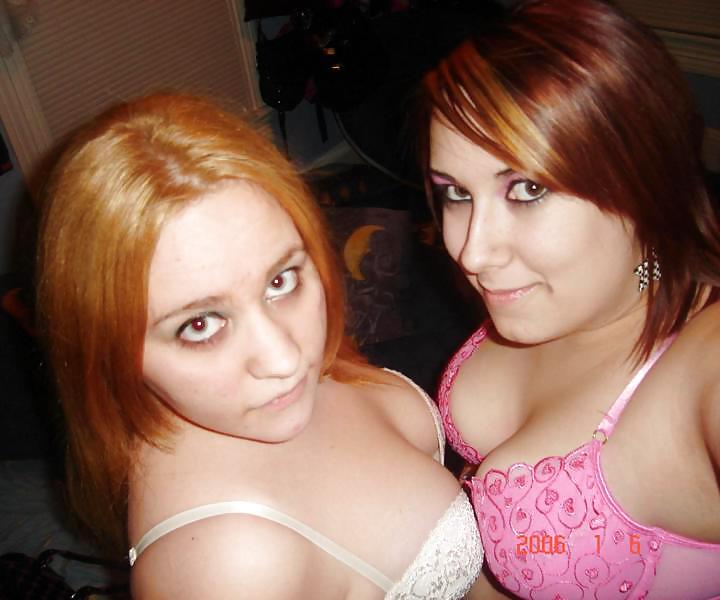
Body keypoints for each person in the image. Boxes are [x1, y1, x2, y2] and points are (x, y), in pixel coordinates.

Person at [36, 93, 483, 599]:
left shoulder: (264, 385)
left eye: (280, 280)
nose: (286, 359)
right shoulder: (230, 568)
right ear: (111, 352)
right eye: (200, 325)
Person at [417, 0, 720, 598]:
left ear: (646, 181)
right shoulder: (557, 293)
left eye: (527, 189)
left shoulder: (707, 361)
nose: (472, 253)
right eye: (456, 193)